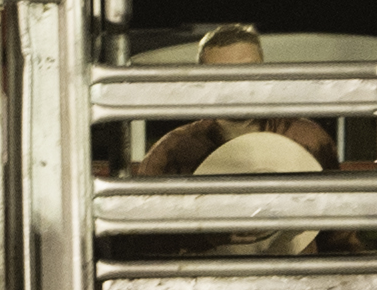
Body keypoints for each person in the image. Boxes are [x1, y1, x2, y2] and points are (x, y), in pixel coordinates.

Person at [121, 24, 334, 178]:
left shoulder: (308, 139)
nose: (239, 82)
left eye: (249, 69)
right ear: (204, 81)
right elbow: (149, 234)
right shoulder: (172, 151)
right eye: (224, 73)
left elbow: (339, 232)